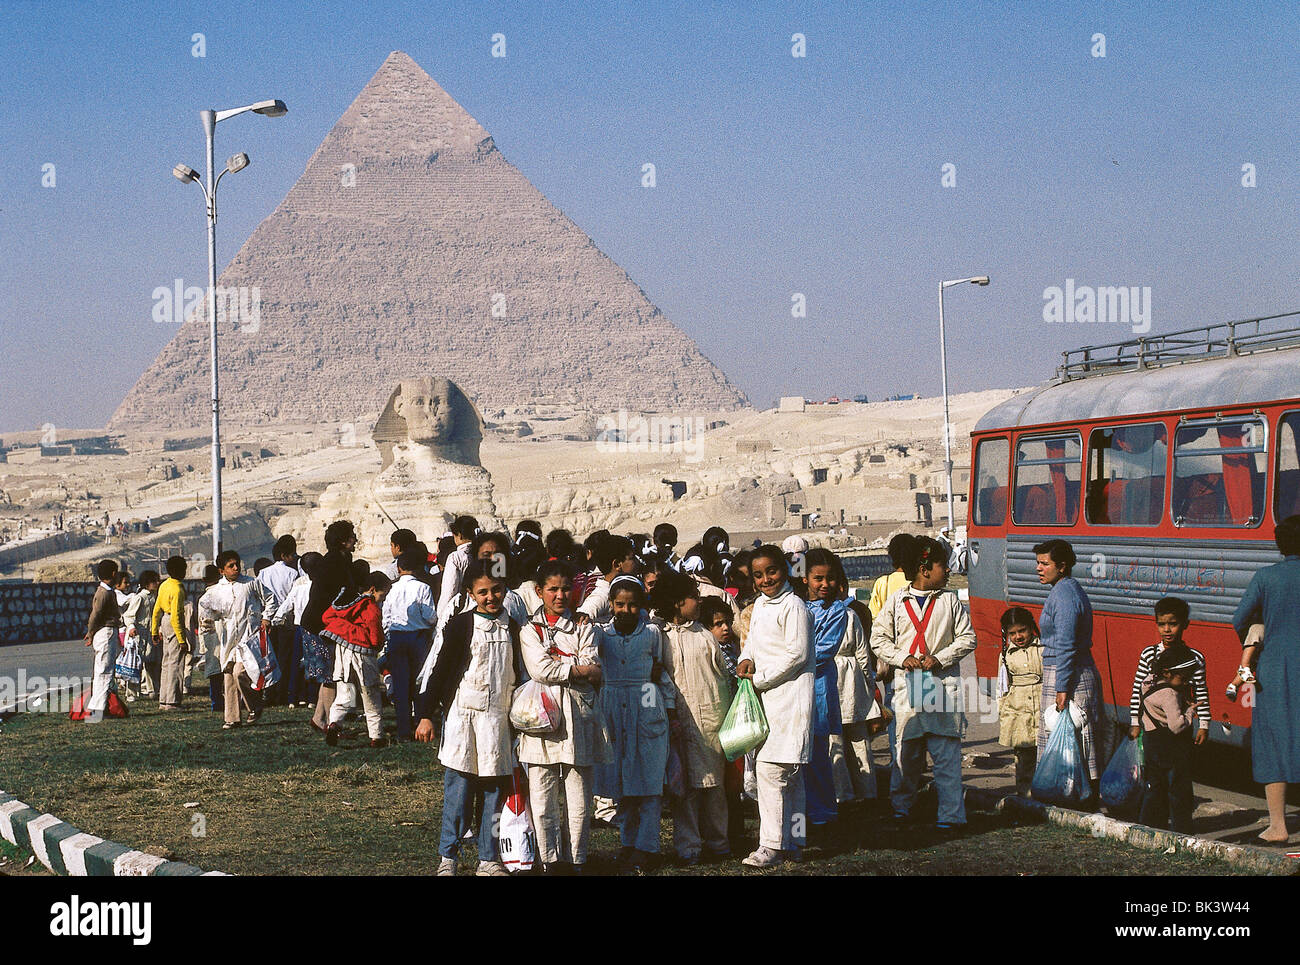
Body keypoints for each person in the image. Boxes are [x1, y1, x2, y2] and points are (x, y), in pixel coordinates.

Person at [415, 559, 523, 877]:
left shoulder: (513, 627)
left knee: (493, 791)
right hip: (463, 717)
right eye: (483, 592)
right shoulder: (462, 625)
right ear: (471, 593)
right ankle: (448, 856)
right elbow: (441, 670)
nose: (491, 597)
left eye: (497, 590)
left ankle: (489, 858)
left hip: (498, 721)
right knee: (459, 791)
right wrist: (426, 715)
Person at [871, 535, 976, 829]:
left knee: (946, 757)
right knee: (906, 755)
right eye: (944, 565)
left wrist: (941, 657)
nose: (949, 571)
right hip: (907, 689)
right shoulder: (896, 601)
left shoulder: (950, 601)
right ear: (925, 568)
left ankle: (951, 816)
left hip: (941, 688)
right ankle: (901, 809)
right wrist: (901, 657)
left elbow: (968, 638)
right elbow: (878, 639)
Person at [517, 560, 606, 874]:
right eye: (552, 589)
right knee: (542, 794)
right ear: (539, 591)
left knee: (579, 793)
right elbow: (540, 669)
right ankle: (550, 859)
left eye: (566, 588)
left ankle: (577, 859)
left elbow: (592, 660)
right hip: (539, 716)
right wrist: (577, 669)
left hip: (578, 716)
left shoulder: (584, 625)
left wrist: (569, 666)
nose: (559, 595)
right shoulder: (529, 629)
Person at [736, 545, 815, 868]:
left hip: (790, 700)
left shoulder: (794, 606)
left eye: (772, 571)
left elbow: (797, 654)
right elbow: (752, 642)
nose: (766, 579)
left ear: (785, 569)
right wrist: (745, 660)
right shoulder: (761, 606)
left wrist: (762, 678)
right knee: (788, 777)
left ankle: (771, 844)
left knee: (774, 771)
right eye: (758, 575)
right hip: (768, 700)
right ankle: (795, 840)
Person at [593, 574, 672, 873]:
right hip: (613, 706)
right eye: (620, 605)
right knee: (622, 781)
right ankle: (628, 841)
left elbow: (661, 670)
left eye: (632, 605)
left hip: (646, 703)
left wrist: (667, 711)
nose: (625, 611)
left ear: (641, 606)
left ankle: (647, 846)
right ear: (611, 604)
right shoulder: (601, 634)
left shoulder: (652, 633)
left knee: (649, 780)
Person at [655, 568, 733, 864]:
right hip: (676, 722)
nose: (698, 601)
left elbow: (721, 677)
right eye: (693, 597)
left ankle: (719, 842)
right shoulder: (660, 635)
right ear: (676, 602)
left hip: (711, 720)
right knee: (682, 788)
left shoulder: (704, 636)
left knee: (714, 786)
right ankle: (688, 846)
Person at [1231, 514, 1300, 843]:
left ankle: (1278, 826)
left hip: (1274, 669)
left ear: (1279, 544)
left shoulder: (1266, 577)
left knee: (1274, 742)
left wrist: (1256, 637)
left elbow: (1240, 619)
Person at [1034, 538, 1106, 794]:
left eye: (1045, 563)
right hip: (1068, 672)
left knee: (1075, 741)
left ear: (1062, 566)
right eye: (1038, 563)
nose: (1039, 568)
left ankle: (1082, 798)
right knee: (1067, 739)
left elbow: (1066, 644)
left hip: (1069, 675)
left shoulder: (1064, 594)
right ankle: (1070, 796)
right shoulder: (1064, 590)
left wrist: (1062, 688)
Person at [801, 548, 847, 826]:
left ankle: (823, 811)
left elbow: (823, 652)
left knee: (817, 751)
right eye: (818, 578)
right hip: (795, 686)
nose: (824, 585)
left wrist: (789, 660)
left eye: (829, 579)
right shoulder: (799, 606)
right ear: (805, 578)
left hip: (817, 687)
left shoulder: (837, 611)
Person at [1135, 643, 1201, 834]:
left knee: (1155, 787)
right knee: (1178, 789)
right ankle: (1182, 830)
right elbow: (1176, 725)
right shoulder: (1170, 694)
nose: (1186, 681)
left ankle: (1150, 826)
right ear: (1167, 673)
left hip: (1151, 741)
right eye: (1184, 677)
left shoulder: (1147, 683)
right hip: (1170, 746)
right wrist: (1189, 713)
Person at [1128, 597, 1210, 746]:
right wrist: (1135, 722)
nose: (1166, 630)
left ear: (1185, 624)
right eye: (1161, 624)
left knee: (1179, 767)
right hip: (1152, 729)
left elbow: (1201, 691)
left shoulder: (1194, 658)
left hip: (1181, 729)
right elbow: (1137, 690)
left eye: (1173, 624)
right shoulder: (1149, 654)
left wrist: (1204, 725)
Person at [323, 572, 392, 748]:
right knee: (371, 696)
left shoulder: (346, 605)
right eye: (382, 595)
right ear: (373, 590)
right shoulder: (371, 608)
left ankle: (334, 723)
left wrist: (348, 631)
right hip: (364, 655)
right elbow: (375, 637)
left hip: (343, 652)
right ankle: (376, 736)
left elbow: (327, 617)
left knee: (345, 693)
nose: (382, 599)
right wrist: (377, 644)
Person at [200, 550, 266, 729]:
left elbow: (270, 599)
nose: (236, 568)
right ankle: (232, 718)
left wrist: (266, 618)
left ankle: (254, 705)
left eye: (237, 564)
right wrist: (209, 621)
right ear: (222, 571)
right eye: (231, 566)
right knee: (228, 675)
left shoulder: (250, 584)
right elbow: (206, 606)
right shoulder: (217, 591)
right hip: (228, 639)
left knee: (240, 672)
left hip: (248, 638)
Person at [303, 520, 359, 733]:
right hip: (320, 625)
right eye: (352, 536)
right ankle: (331, 725)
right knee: (329, 676)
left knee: (328, 674)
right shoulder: (335, 562)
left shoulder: (339, 559)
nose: (355, 540)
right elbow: (342, 593)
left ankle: (319, 719)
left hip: (322, 622)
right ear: (343, 541)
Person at [382, 548, 439, 742]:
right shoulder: (423, 588)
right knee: (420, 681)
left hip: (397, 637)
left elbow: (386, 616)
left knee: (400, 683)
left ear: (398, 569)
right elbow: (430, 615)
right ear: (417, 568)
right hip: (418, 637)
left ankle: (403, 730)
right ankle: (421, 720)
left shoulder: (392, 589)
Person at [997, 606, 1043, 796]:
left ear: (1031, 627)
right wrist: (1003, 712)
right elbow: (1002, 688)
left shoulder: (1043, 648)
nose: (1018, 636)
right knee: (1024, 756)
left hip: (1042, 705)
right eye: (1012, 633)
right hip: (1018, 710)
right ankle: (1025, 796)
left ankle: (1048, 794)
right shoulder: (1006, 655)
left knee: (1045, 754)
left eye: (1022, 630)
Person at [272, 550, 322, 710]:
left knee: (296, 664)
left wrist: (276, 620)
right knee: (314, 664)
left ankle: (294, 697)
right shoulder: (319, 586)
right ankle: (312, 697)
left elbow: (287, 604)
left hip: (299, 629)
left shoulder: (299, 586)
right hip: (315, 629)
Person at [257, 535, 300, 707]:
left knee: (268, 659)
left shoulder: (263, 573)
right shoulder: (292, 573)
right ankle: (283, 694)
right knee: (285, 659)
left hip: (267, 620)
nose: (294, 558)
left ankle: (269, 693)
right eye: (292, 555)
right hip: (285, 621)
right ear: (284, 555)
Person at [83, 559, 122, 719]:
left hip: (105, 631)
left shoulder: (106, 591)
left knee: (102, 670)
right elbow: (96, 615)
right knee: (105, 671)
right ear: (113, 573)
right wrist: (90, 632)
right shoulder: (104, 593)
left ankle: (98, 705)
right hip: (106, 631)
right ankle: (99, 708)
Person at [578, 534, 636, 625]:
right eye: (632, 558)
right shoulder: (600, 597)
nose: (636, 562)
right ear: (617, 564)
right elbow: (580, 622)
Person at [122, 570, 160, 703]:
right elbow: (128, 615)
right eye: (154, 581)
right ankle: (131, 693)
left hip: (151, 635)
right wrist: (131, 627)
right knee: (135, 664)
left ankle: (153, 690)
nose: (157, 583)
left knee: (152, 662)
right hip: (139, 635)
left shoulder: (155, 596)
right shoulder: (140, 597)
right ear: (147, 583)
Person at [435, 514, 480, 624]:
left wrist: (441, 615)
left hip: (463, 608)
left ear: (458, 535)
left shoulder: (455, 557)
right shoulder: (484, 552)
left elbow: (449, 589)